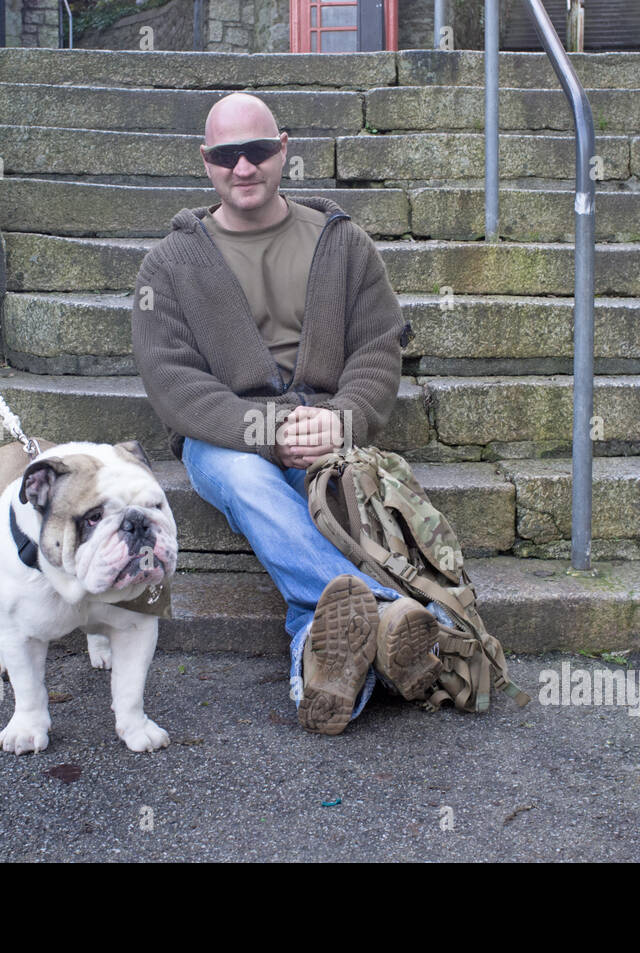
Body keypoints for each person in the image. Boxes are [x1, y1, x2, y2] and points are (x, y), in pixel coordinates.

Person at [131, 92, 455, 735]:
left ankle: (321, 656)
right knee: (250, 480)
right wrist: (270, 431)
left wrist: (344, 418)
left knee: (319, 510)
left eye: (257, 151)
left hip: (328, 429)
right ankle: (392, 613)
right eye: (227, 155)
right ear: (206, 162)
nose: (243, 168)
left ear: (284, 149)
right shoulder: (167, 266)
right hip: (227, 440)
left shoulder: (344, 244)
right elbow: (173, 383)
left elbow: (377, 345)